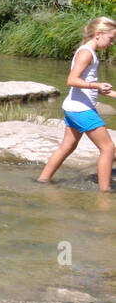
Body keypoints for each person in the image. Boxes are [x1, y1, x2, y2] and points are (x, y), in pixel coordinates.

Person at [38, 16, 116, 191]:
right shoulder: (86, 53)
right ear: (98, 34)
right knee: (108, 148)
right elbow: (72, 80)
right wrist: (96, 85)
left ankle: (42, 181)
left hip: (74, 107)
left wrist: (108, 92)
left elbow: (88, 85)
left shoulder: (89, 52)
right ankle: (105, 192)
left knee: (67, 147)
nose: (112, 43)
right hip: (81, 110)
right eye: (110, 39)